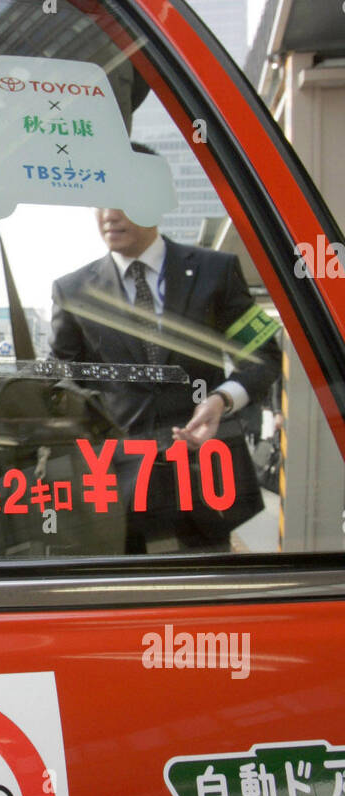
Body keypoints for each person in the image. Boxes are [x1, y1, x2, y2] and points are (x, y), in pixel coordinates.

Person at [48, 199, 282, 553]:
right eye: (100, 203)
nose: (109, 214)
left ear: (153, 199)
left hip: (202, 483)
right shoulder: (73, 290)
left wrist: (222, 400)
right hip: (115, 486)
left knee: (204, 596)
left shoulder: (216, 270)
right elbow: (61, 378)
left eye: (124, 200)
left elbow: (264, 355)